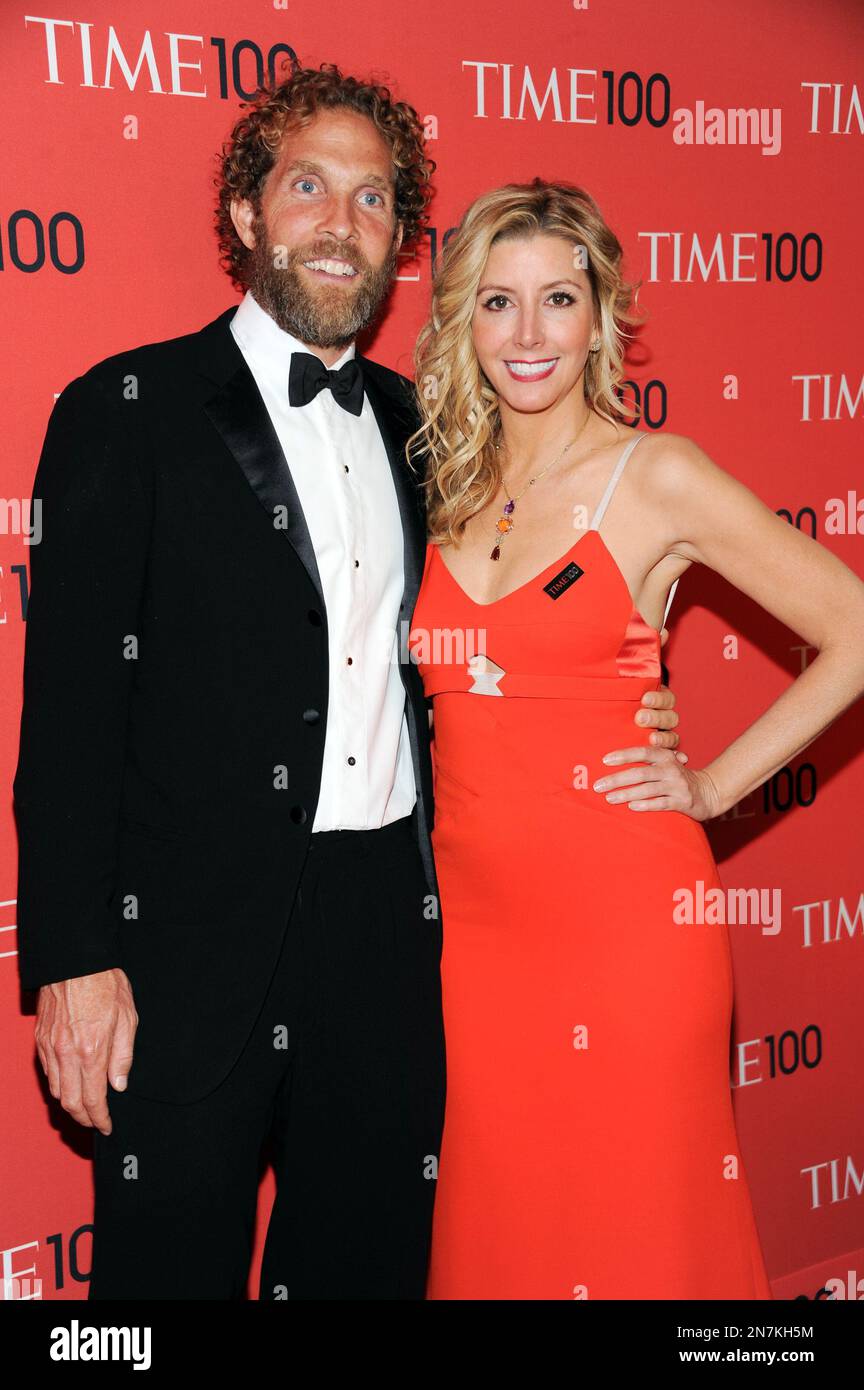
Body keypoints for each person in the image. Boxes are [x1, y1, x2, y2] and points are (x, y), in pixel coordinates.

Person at [12, 70, 680, 1300]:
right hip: (185, 944)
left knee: (365, 1267)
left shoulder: (428, 431)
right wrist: (71, 960)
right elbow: (65, 717)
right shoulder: (128, 407)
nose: (340, 219)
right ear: (248, 212)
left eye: (374, 197)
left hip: (386, 928)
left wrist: (638, 685)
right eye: (308, 184)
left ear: (398, 237)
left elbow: (530, 614)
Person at [407, 178, 864, 1299]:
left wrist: (711, 785)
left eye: (557, 300)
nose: (528, 335)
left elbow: (853, 628)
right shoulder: (442, 486)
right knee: (501, 1237)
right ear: (464, 317)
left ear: (600, 314)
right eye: (499, 303)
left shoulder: (653, 475)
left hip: (629, 927)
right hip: (468, 941)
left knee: (642, 1231)